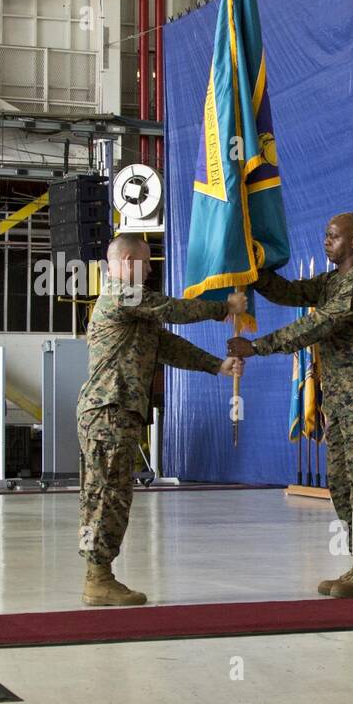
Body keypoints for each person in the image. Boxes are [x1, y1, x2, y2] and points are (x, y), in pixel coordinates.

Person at [228, 213, 353, 598]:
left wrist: (257, 346)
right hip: (342, 402)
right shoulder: (332, 281)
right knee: (341, 485)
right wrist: (251, 266)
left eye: (333, 236)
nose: (326, 241)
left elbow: (316, 326)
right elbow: (288, 293)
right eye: (325, 235)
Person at [77, 233, 245, 606]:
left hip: (113, 412)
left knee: (106, 493)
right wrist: (223, 307)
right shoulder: (123, 295)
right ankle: (98, 577)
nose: (151, 269)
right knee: (108, 496)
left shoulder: (134, 309)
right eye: (145, 260)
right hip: (109, 411)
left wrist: (215, 365)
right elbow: (172, 309)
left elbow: (167, 345)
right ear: (124, 263)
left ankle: (98, 574)